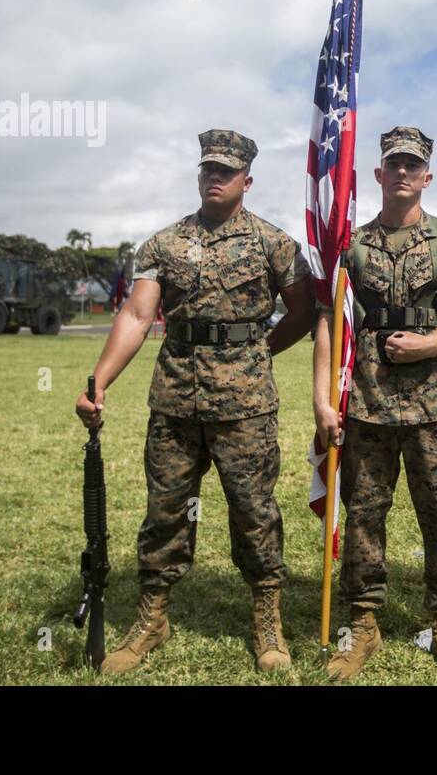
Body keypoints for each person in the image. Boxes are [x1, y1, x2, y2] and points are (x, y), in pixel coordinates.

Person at [74, 129, 315, 675]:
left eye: (225, 172)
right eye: (207, 169)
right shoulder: (163, 243)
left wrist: (259, 351)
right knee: (165, 510)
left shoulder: (274, 244)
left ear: (246, 181)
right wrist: (99, 382)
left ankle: (266, 617)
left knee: (253, 510)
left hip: (246, 404)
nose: (214, 178)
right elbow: (137, 317)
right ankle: (152, 615)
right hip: (176, 399)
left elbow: (303, 312)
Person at [314, 126, 437, 681]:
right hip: (366, 406)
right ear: (377, 173)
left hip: (436, 407)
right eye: (393, 163)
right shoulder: (351, 245)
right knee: (365, 516)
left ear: (427, 176)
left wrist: (429, 344)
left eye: (412, 165)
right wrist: (322, 401)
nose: (402, 173)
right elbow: (331, 322)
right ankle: (362, 623)